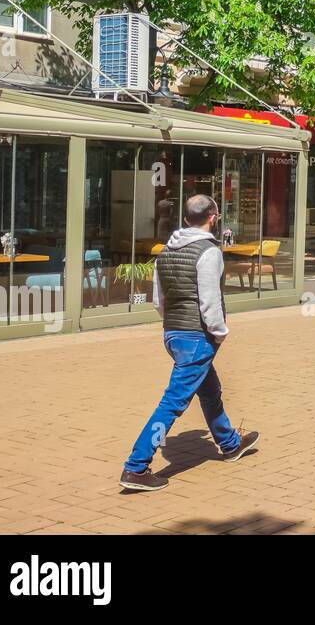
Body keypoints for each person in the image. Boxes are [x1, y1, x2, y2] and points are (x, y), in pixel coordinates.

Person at [119, 195, 258, 492]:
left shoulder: (166, 251)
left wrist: (173, 326)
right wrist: (219, 333)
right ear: (213, 217)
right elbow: (209, 301)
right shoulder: (208, 252)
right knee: (172, 403)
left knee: (209, 389)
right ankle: (136, 466)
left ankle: (230, 443)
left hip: (174, 333)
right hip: (197, 336)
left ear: (185, 219)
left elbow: (159, 300)